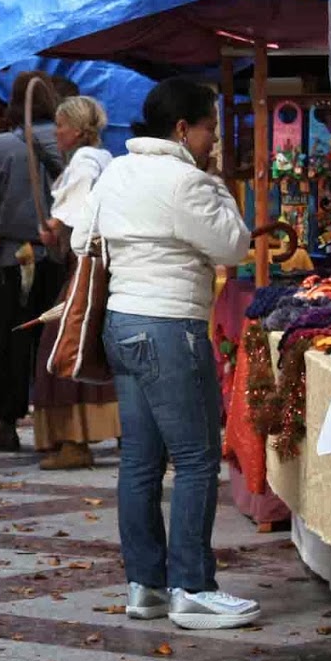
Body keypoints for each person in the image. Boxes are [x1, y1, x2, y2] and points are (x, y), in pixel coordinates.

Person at [85, 78, 256, 630]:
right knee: (197, 458)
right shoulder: (189, 181)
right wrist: (218, 185)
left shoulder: (116, 171)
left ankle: (146, 586)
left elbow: (81, 240)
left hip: (122, 323)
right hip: (170, 328)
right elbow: (234, 245)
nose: (214, 140)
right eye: (209, 128)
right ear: (183, 129)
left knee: (140, 461)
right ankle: (193, 588)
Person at [0, 71, 65, 451]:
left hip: (11, 257)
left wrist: (0, 216)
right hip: (60, 256)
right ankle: (60, 427)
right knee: (56, 340)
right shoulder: (69, 143)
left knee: (10, 341)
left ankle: (7, 424)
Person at [32, 96, 120, 470]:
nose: (56, 132)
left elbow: (76, 214)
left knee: (65, 347)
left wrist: (54, 228)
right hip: (102, 266)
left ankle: (74, 440)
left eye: (62, 125)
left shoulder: (85, 162)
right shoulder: (105, 158)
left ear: (79, 130)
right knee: (88, 343)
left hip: (87, 266)